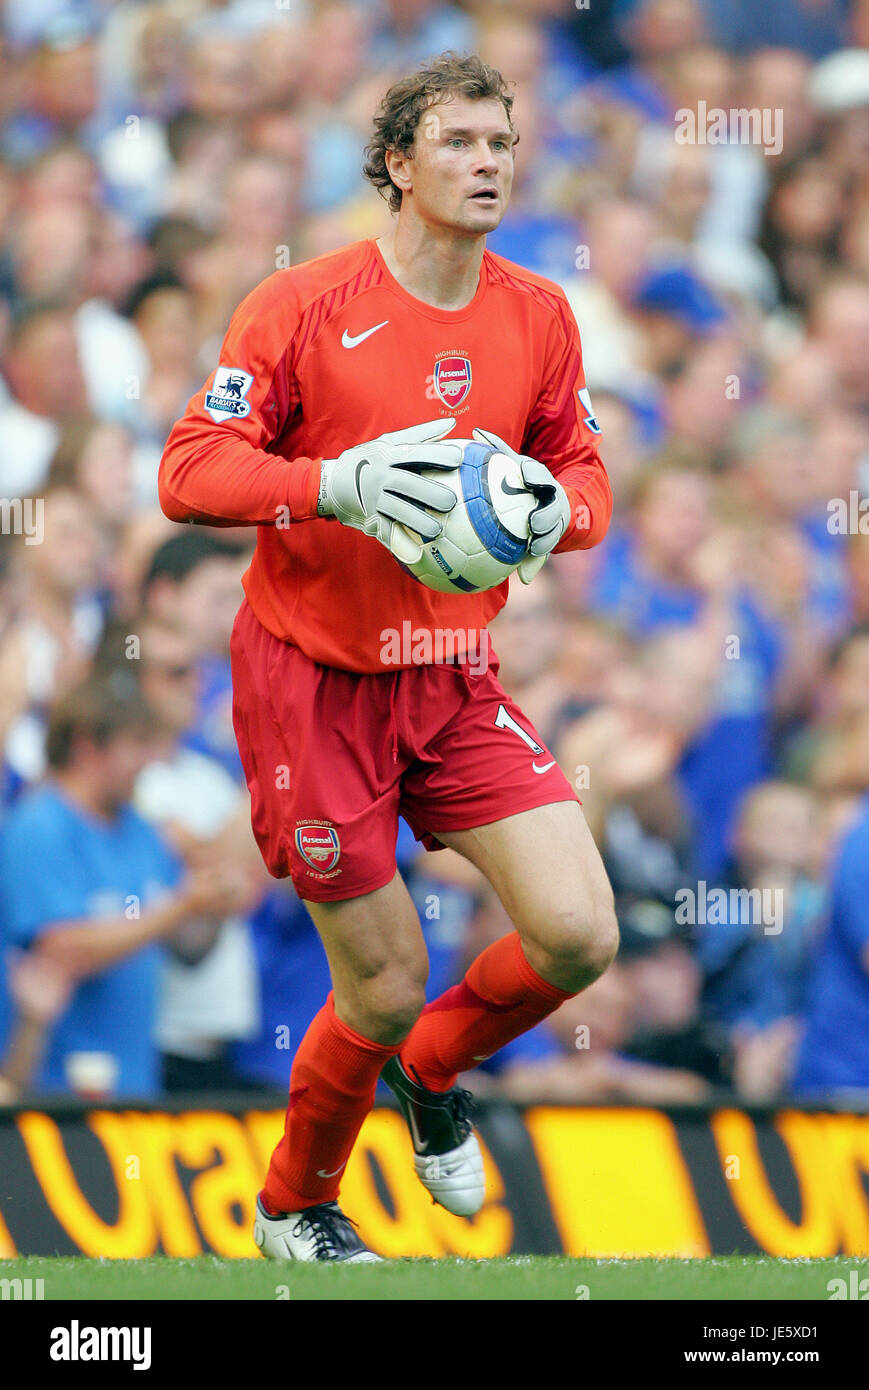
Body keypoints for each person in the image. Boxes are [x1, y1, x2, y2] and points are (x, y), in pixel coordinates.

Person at [159, 52, 616, 1263]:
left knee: (579, 934)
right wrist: (333, 484)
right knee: (380, 982)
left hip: (448, 674)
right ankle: (294, 1205)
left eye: (501, 144)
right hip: (310, 680)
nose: (486, 164)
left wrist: (538, 510)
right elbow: (187, 472)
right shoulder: (299, 303)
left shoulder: (536, 313)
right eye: (459, 142)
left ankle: (430, 1075)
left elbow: (588, 486)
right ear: (396, 164)